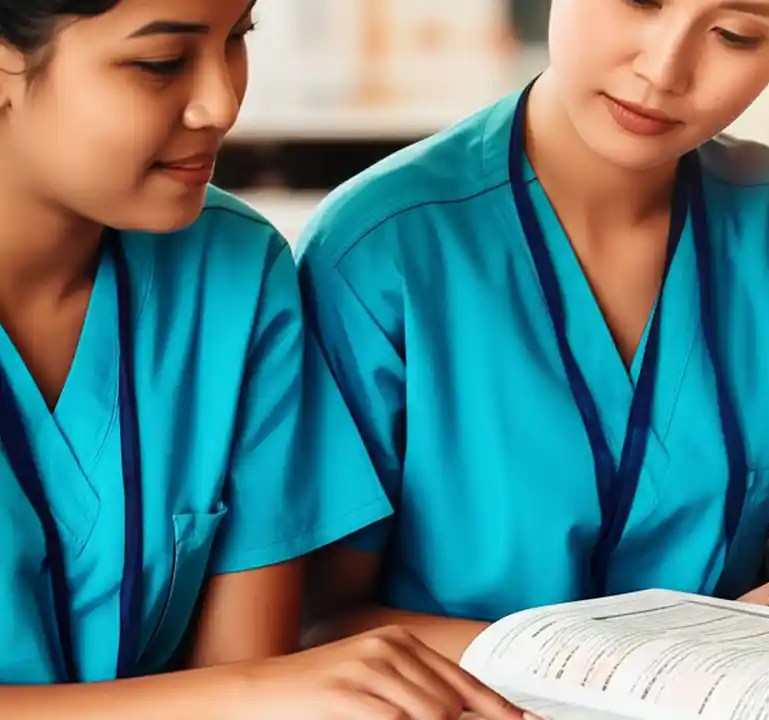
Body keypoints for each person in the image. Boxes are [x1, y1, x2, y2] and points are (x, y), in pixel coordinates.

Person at [300, 0, 769, 661]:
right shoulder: (376, 251)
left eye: (735, 36)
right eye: (640, 0)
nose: (664, 69)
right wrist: (610, 666)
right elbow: (314, 630)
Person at [0, 1, 529, 718]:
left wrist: (265, 688)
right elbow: (254, 692)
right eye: (159, 64)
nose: (221, 103)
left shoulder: (238, 272)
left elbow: (251, 675)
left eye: (238, 39)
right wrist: (258, 691)